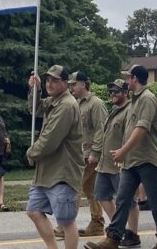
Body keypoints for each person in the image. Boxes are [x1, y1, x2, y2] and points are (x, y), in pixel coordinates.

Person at [85, 65, 157, 249]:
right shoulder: (135, 100)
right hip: (131, 161)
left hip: (147, 160)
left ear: (134, 78)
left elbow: (141, 129)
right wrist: (125, 154)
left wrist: (122, 151)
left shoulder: (148, 99)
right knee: (123, 199)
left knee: (156, 201)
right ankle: (114, 238)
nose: (126, 82)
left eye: (128, 78)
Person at [25, 66, 83, 249]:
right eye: (48, 80)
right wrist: (36, 89)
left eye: (55, 80)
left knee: (66, 221)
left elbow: (51, 139)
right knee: (34, 211)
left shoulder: (66, 105)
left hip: (62, 173)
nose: (50, 83)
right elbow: (35, 110)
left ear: (65, 84)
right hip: (46, 172)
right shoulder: (54, 101)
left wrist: (31, 153)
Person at [88, 79, 142, 248]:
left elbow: (132, 136)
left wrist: (125, 156)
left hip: (121, 164)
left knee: (129, 201)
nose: (112, 94)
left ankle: (133, 234)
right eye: (111, 92)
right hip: (105, 163)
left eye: (116, 91)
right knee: (101, 195)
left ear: (126, 93)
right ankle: (119, 230)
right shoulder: (114, 110)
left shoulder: (129, 111)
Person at [58, 71, 109, 238]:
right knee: (90, 189)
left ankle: (65, 226)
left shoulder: (96, 104)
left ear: (84, 85)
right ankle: (97, 223)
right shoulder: (78, 104)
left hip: (90, 155)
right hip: (80, 154)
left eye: (74, 84)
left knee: (73, 188)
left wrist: (95, 152)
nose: (71, 87)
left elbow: (101, 130)